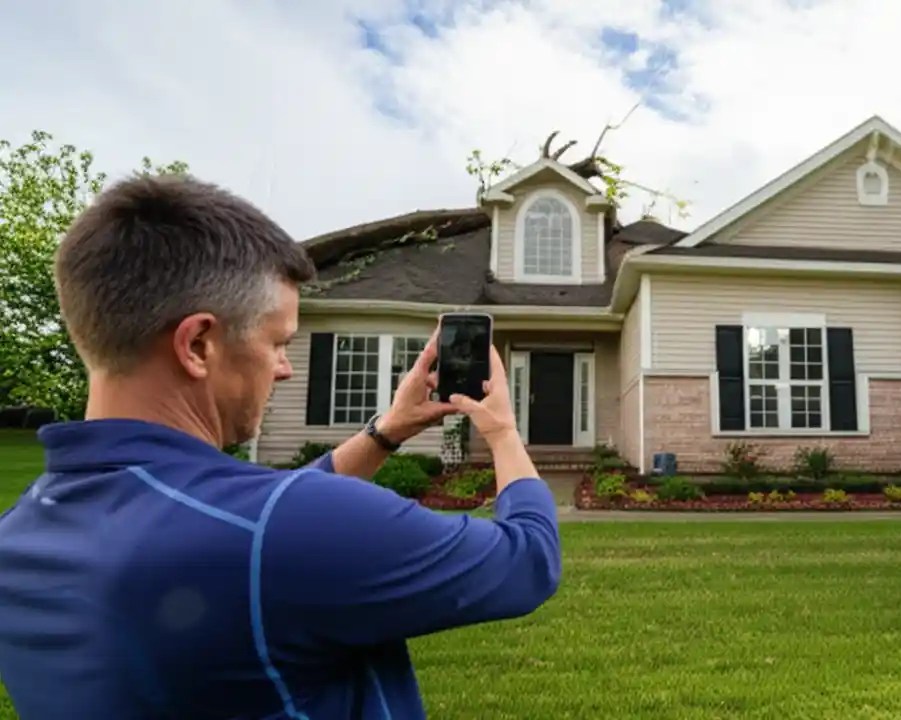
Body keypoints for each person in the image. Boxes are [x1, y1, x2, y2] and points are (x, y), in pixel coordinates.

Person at [0, 174, 561, 719]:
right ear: (198, 344)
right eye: (277, 342)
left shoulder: (20, 539)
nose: (287, 369)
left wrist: (386, 430)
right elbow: (528, 558)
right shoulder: (288, 529)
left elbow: (260, 512)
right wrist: (503, 432)